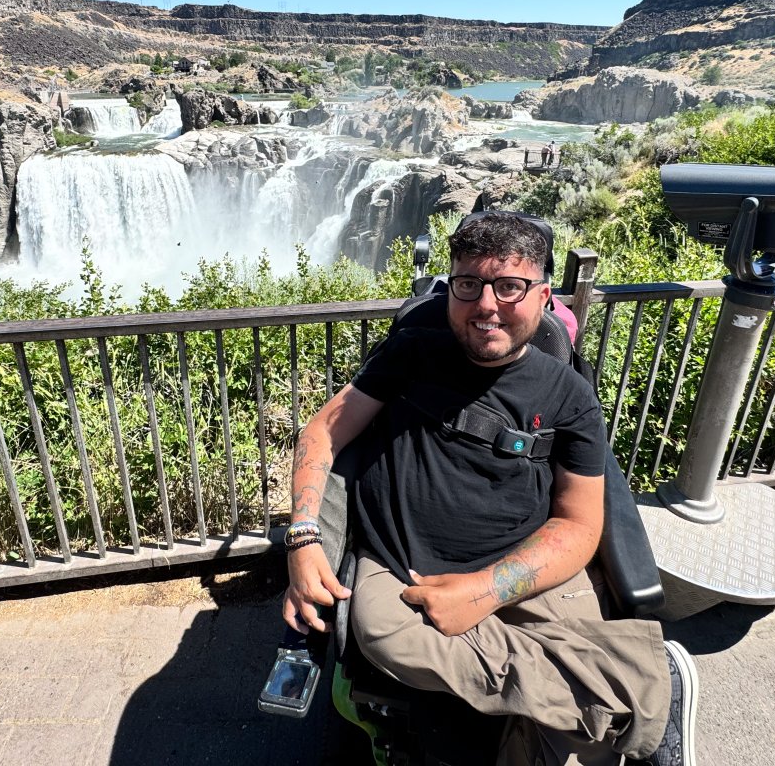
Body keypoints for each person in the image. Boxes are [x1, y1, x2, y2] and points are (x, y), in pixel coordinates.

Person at [282, 213, 697, 766]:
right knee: (379, 634)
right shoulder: (412, 353)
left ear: (544, 296)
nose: (486, 305)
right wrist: (304, 536)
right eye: (469, 285)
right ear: (451, 288)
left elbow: (579, 524)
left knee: (564, 731)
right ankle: (639, 686)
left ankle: (624, 693)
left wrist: (483, 591)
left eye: (510, 287)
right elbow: (324, 431)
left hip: (524, 559)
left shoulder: (568, 395)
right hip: (400, 559)